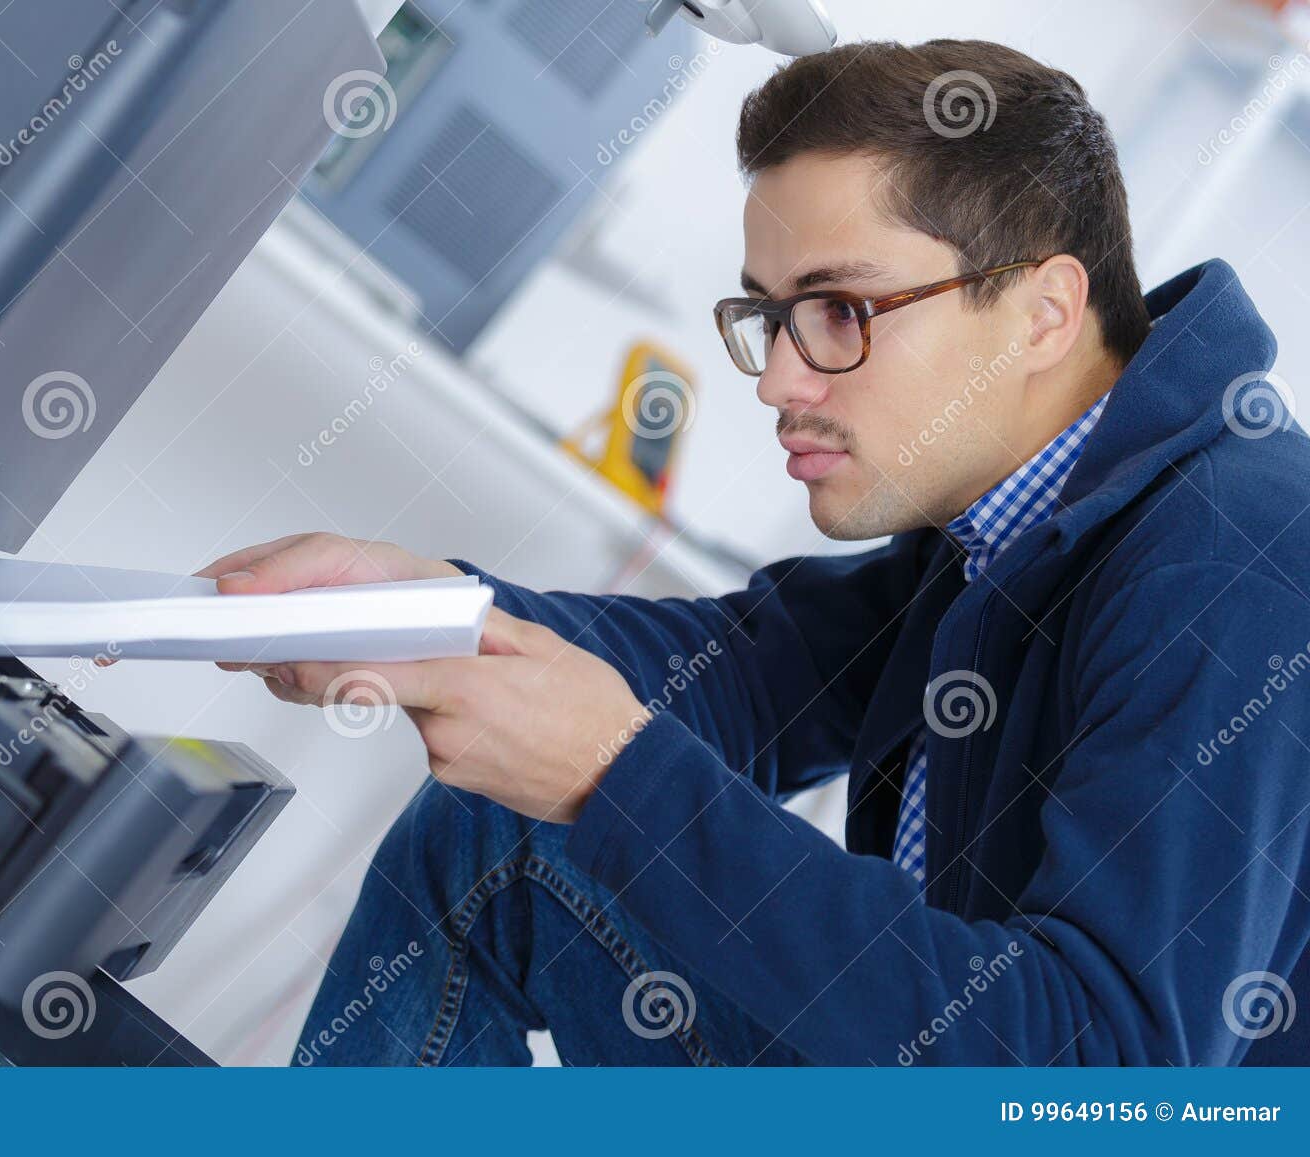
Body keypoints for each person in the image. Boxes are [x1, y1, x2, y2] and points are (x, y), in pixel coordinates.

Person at [204, 39, 1309, 1065]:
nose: (780, 379)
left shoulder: (1233, 559)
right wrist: (430, 604)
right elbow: (749, 670)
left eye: (839, 310)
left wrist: (617, 776)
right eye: (770, 317)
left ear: (1039, 313)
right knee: (495, 838)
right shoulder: (1022, 515)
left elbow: (1102, 1079)